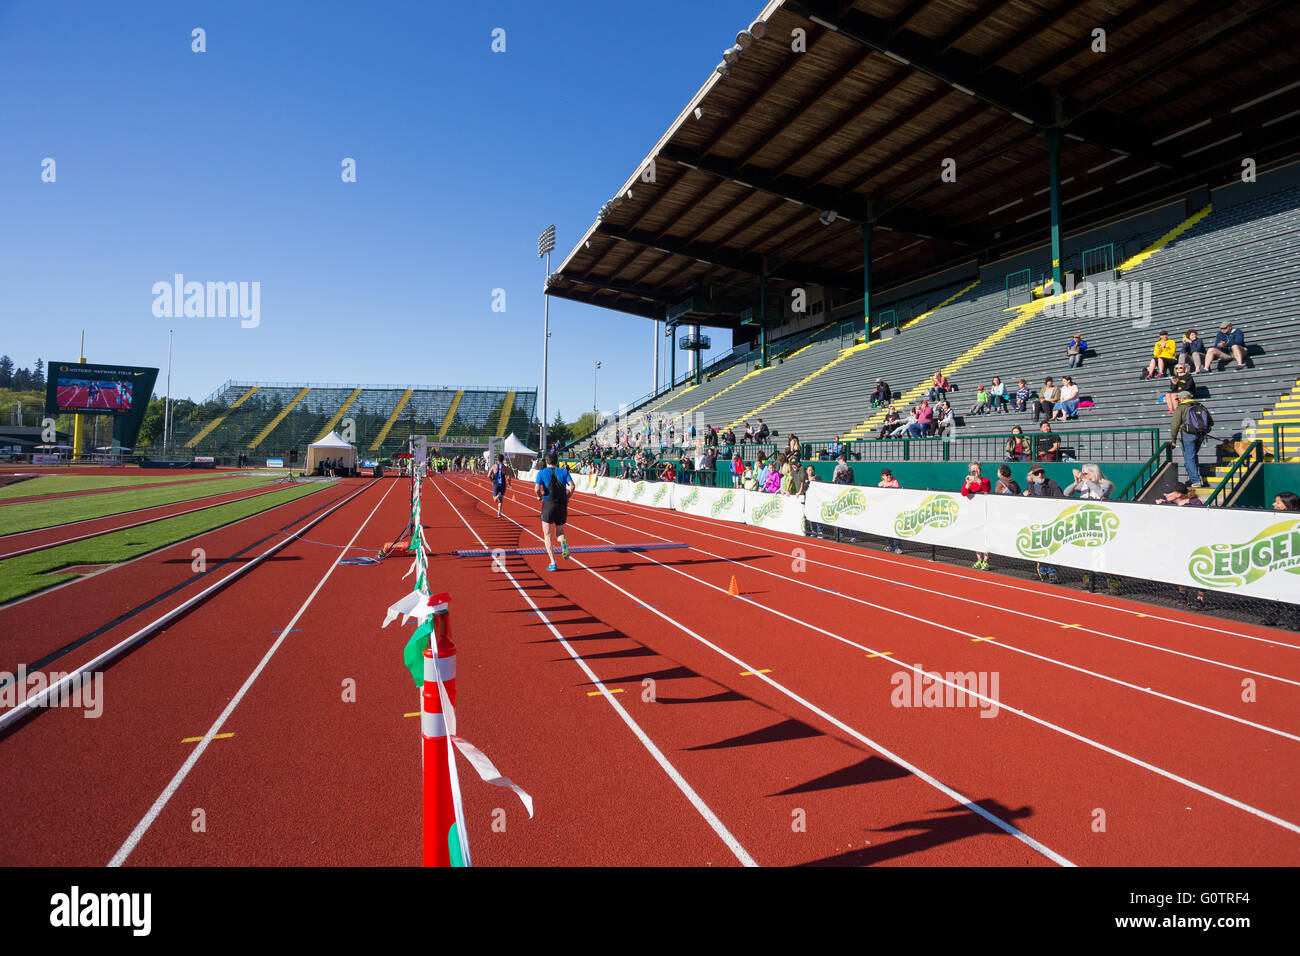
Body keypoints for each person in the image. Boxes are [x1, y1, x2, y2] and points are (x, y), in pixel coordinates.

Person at [534, 454, 574, 572]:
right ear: (557, 461)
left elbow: (536, 489)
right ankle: (563, 542)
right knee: (559, 533)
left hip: (548, 504)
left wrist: (540, 496)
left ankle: (553, 562)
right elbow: (572, 486)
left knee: (547, 535)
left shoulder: (541, 473)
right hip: (562, 505)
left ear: (547, 461)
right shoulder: (564, 472)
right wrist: (568, 497)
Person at [1024, 465, 1065, 582]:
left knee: (1051, 546)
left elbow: (1060, 498)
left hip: (1051, 519)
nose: (1040, 475)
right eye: (1037, 473)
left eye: (1042, 472)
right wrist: (1025, 496)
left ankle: (1053, 572)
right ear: (1031, 476)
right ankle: (1042, 572)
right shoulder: (1030, 485)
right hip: (1037, 520)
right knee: (1039, 546)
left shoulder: (1052, 484)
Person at [1170, 390, 1210, 487]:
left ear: (1183, 398)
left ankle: (1195, 480)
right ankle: (1192, 479)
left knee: (1189, 457)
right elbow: (1210, 421)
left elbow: (1175, 424)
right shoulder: (1201, 406)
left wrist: (1173, 440)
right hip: (1200, 435)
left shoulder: (1181, 407)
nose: (1178, 400)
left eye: (1179, 398)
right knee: (1192, 456)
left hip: (1188, 434)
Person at [960, 463, 992, 570]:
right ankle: (979, 559)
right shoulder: (968, 481)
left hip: (984, 512)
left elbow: (986, 490)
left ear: (980, 470)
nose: (974, 471)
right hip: (973, 513)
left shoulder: (986, 480)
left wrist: (978, 481)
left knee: (985, 537)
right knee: (976, 537)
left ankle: (986, 561)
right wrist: (968, 483)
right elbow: (964, 493)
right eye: (972, 469)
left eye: (976, 469)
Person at [879, 469, 903, 554]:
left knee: (895, 528)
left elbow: (896, 493)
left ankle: (897, 547)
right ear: (882, 476)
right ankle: (889, 545)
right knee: (886, 528)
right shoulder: (881, 484)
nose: (889, 476)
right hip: (885, 509)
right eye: (886, 475)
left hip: (894, 509)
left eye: (889, 475)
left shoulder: (895, 482)